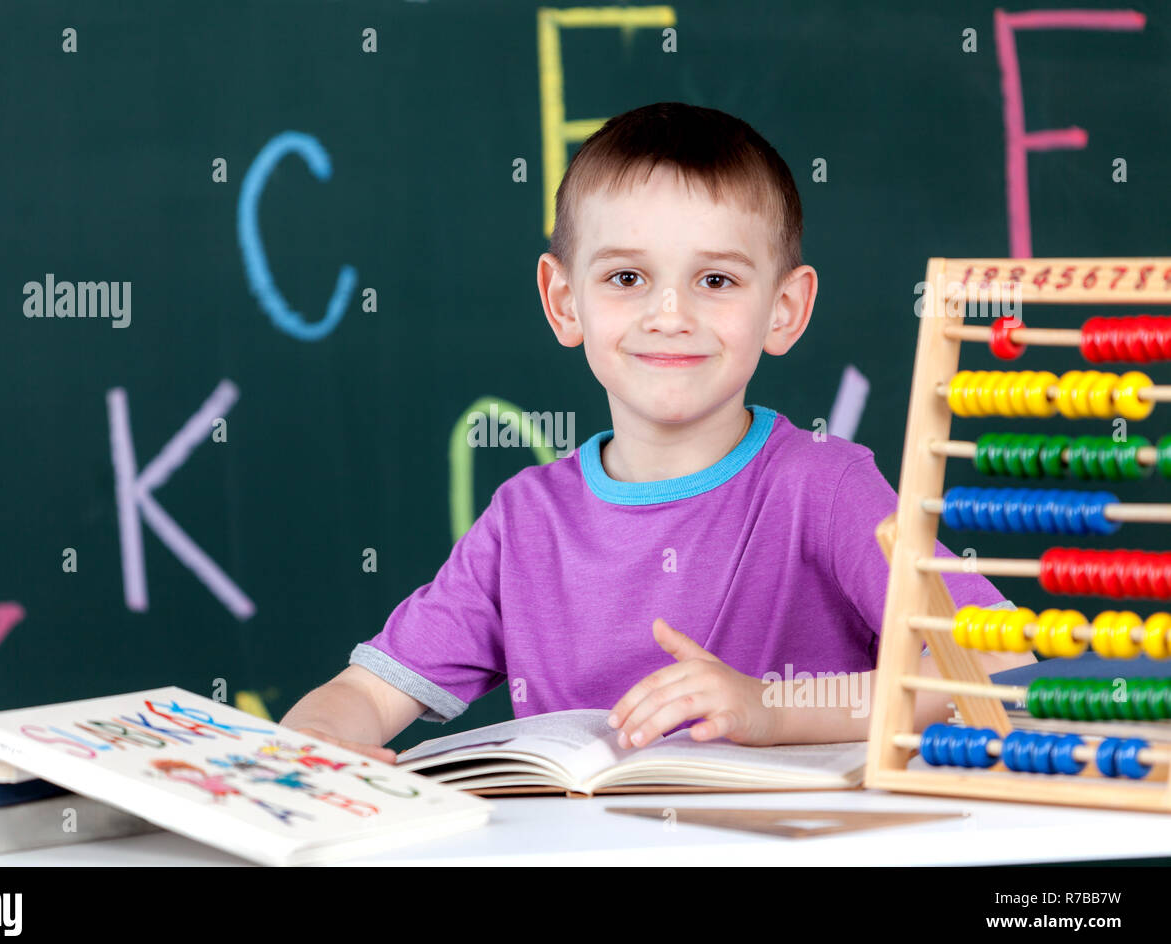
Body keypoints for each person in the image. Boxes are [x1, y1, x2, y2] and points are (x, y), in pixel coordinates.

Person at [282, 102, 1032, 763]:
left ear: (784, 310)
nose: (669, 314)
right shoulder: (524, 519)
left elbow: (997, 662)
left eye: (716, 281)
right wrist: (317, 746)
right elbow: (367, 694)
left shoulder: (824, 485)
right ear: (564, 300)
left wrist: (770, 708)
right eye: (626, 278)